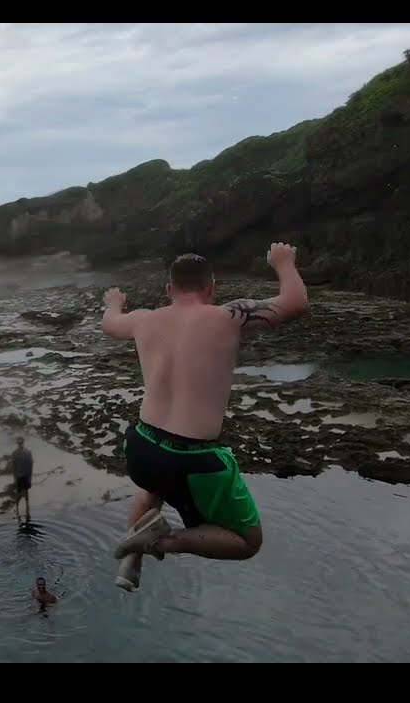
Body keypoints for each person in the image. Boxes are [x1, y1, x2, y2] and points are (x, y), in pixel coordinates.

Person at [102, 243, 308, 593]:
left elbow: (109, 324)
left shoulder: (144, 320)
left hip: (141, 445)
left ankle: (129, 563)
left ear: (169, 289)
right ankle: (160, 542)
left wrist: (114, 303)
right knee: (247, 541)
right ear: (212, 287)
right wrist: (283, 262)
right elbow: (295, 302)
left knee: (153, 489)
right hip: (192, 458)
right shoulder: (227, 316)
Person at [10, 437, 34, 522]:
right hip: (19, 476)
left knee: (26, 493)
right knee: (19, 492)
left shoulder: (28, 452)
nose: (20, 444)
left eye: (21, 443)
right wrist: (15, 477)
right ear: (17, 443)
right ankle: (17, 508)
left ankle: (27, 511)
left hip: (26, 475)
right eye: (18, 443)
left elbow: (31, 464)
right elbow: (13, 466)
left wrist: (30, 477)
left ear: (23, 443)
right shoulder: (15, 453)